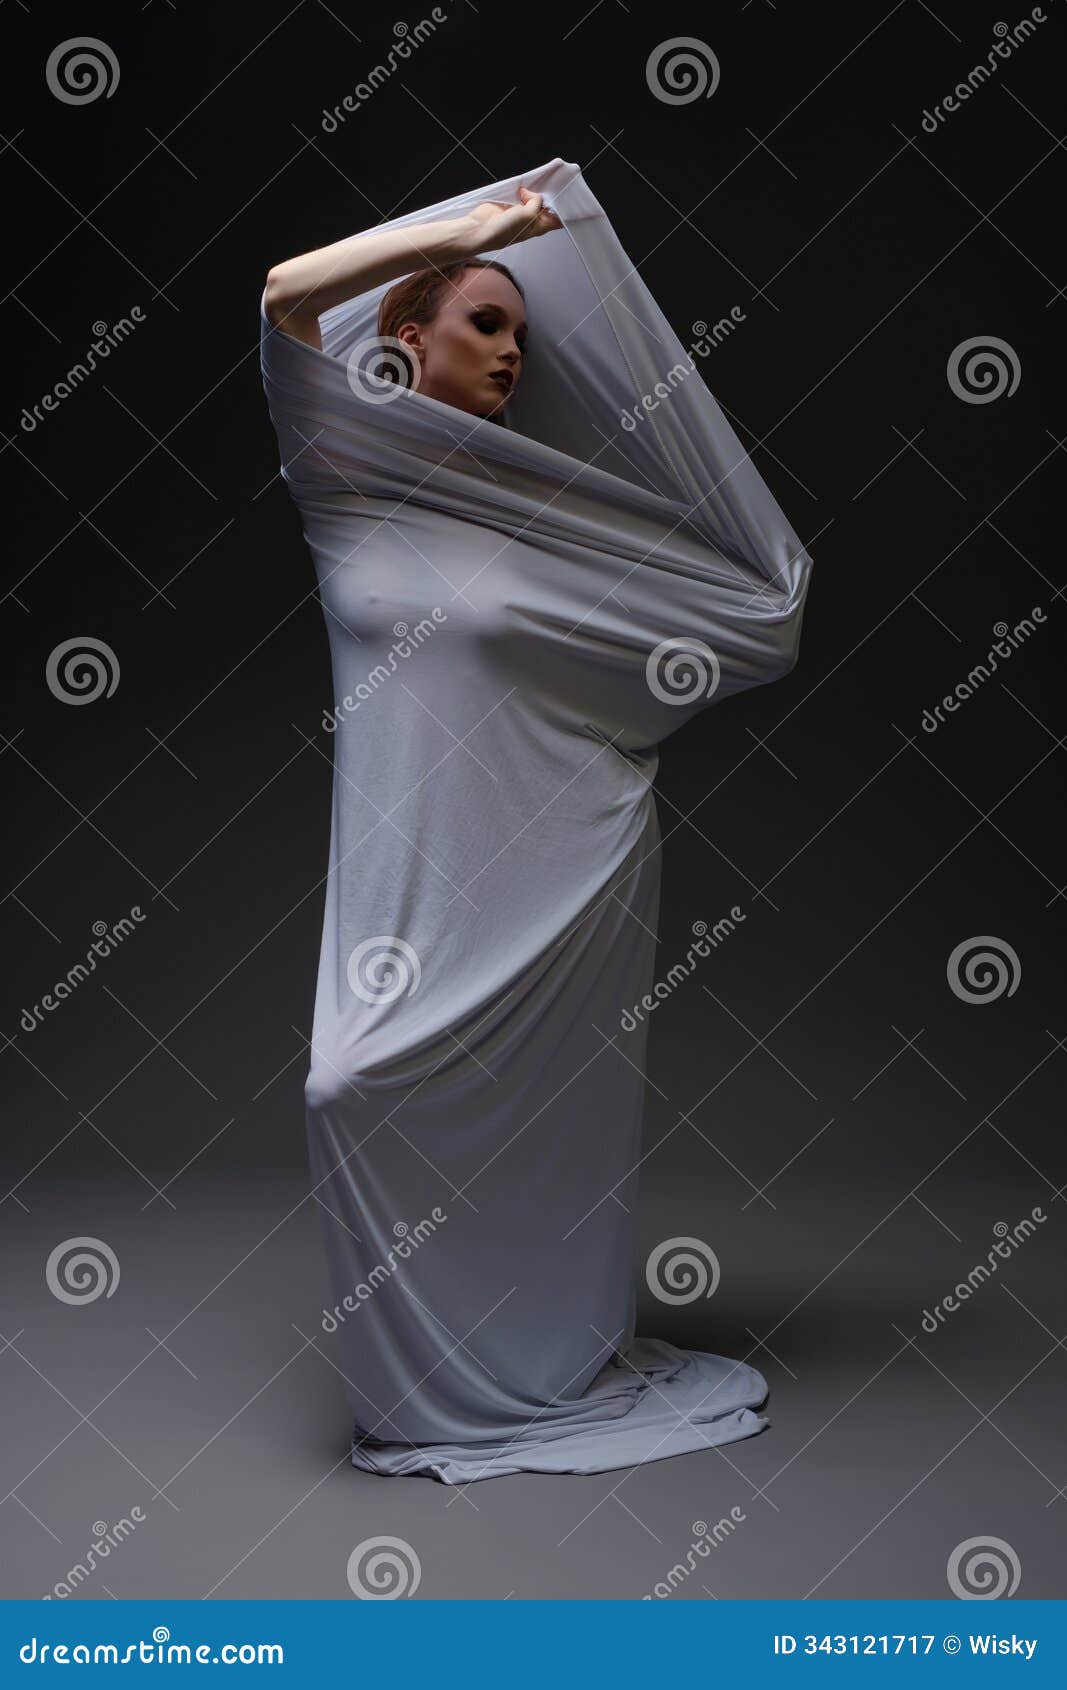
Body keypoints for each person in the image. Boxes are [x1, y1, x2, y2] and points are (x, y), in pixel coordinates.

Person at [260, 164, 809, 1482]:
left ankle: (544, 1353)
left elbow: (741, 618)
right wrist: (482, 228)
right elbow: (283, 291)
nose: (512, 352)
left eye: (520, 332)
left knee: (545, 1120)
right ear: (407, 342)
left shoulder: (539, 515)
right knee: (351, 1084)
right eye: (485, 324)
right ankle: (432, 1393)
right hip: (411, 877)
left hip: (565, 863)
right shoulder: (345, 474)